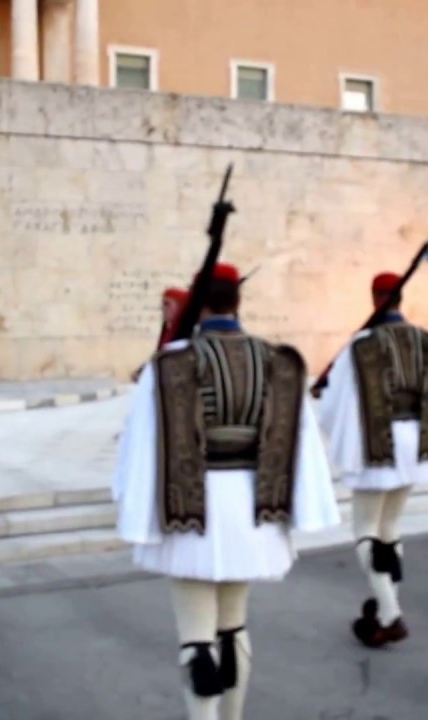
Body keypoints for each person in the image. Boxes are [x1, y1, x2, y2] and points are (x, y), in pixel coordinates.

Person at [112, 262, 340, 720]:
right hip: (254, 507)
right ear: (238, 300)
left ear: (200, 302)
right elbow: (302, 441)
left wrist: (133, 504)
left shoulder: (171, 364)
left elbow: (140, 443)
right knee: (233, 627)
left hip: (189, 510)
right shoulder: (280, 361)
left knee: (198, 637)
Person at [316, 271, 428, 648]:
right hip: (416, 444)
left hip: (378, 447)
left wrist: (323, 397)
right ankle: (387, 599)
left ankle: (389, 612)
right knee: (391, 527)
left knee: (366, 529)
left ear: (375, 298)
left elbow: (337, 402)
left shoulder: (362, 345)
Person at [132, 287, 190, 382]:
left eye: (167, 304)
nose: (163, 308)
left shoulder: (186, 333)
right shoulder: (167, 330)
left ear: (180, 306)